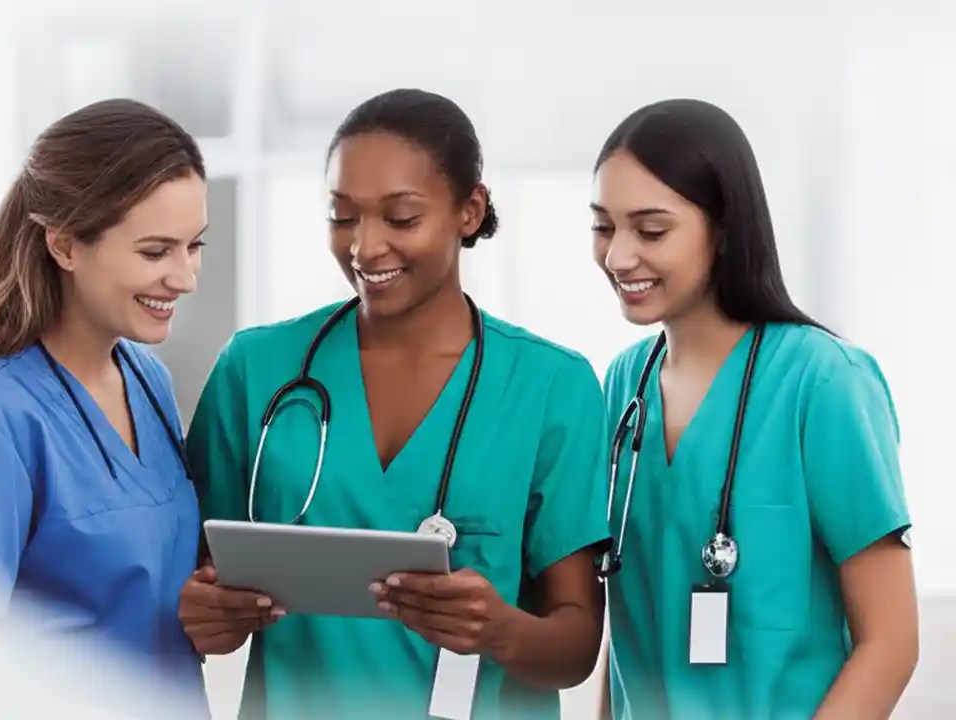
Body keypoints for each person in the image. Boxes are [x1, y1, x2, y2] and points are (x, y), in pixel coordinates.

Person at [179, 88, 610, 719]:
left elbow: (575, 646)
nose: (364, 247)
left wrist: (498, 630)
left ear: (470, 210)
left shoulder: (553, 386)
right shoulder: (256, 369)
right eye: (343, 215)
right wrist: (204, 615)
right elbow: (193, 582)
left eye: (401, 218)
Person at [591, 98, 919, 719]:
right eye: (603, 227)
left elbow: (891, 642)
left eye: (651, 229)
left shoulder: (823, 382)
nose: (618, 256)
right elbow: (630, 623)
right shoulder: (624, 386)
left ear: (722, 231)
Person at [0, 99, 210, 717]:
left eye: (193, 246)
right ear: (65, 245)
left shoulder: (149, 382)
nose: (185, 278)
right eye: (155, 252)